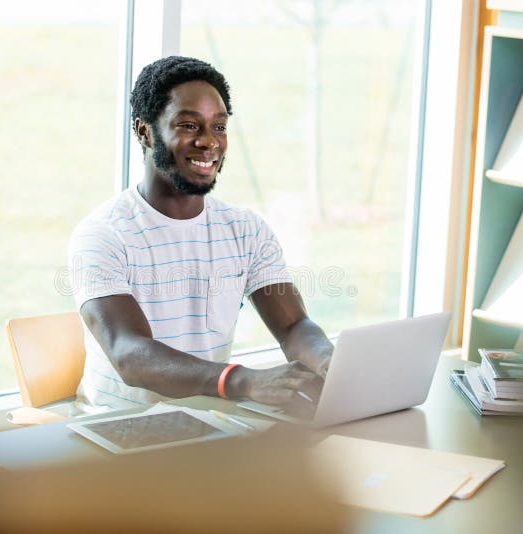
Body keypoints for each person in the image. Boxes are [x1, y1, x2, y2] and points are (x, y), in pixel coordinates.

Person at [68, 56, 333, 412]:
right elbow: (129, 353)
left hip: (211, 421)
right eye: (190, 126)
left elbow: (294, 326)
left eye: (219, 127)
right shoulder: (103, 235)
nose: (209, 142)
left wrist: (329, 363)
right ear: (145, 131)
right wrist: (243, 381)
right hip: (121, 430)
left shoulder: (246, 230)